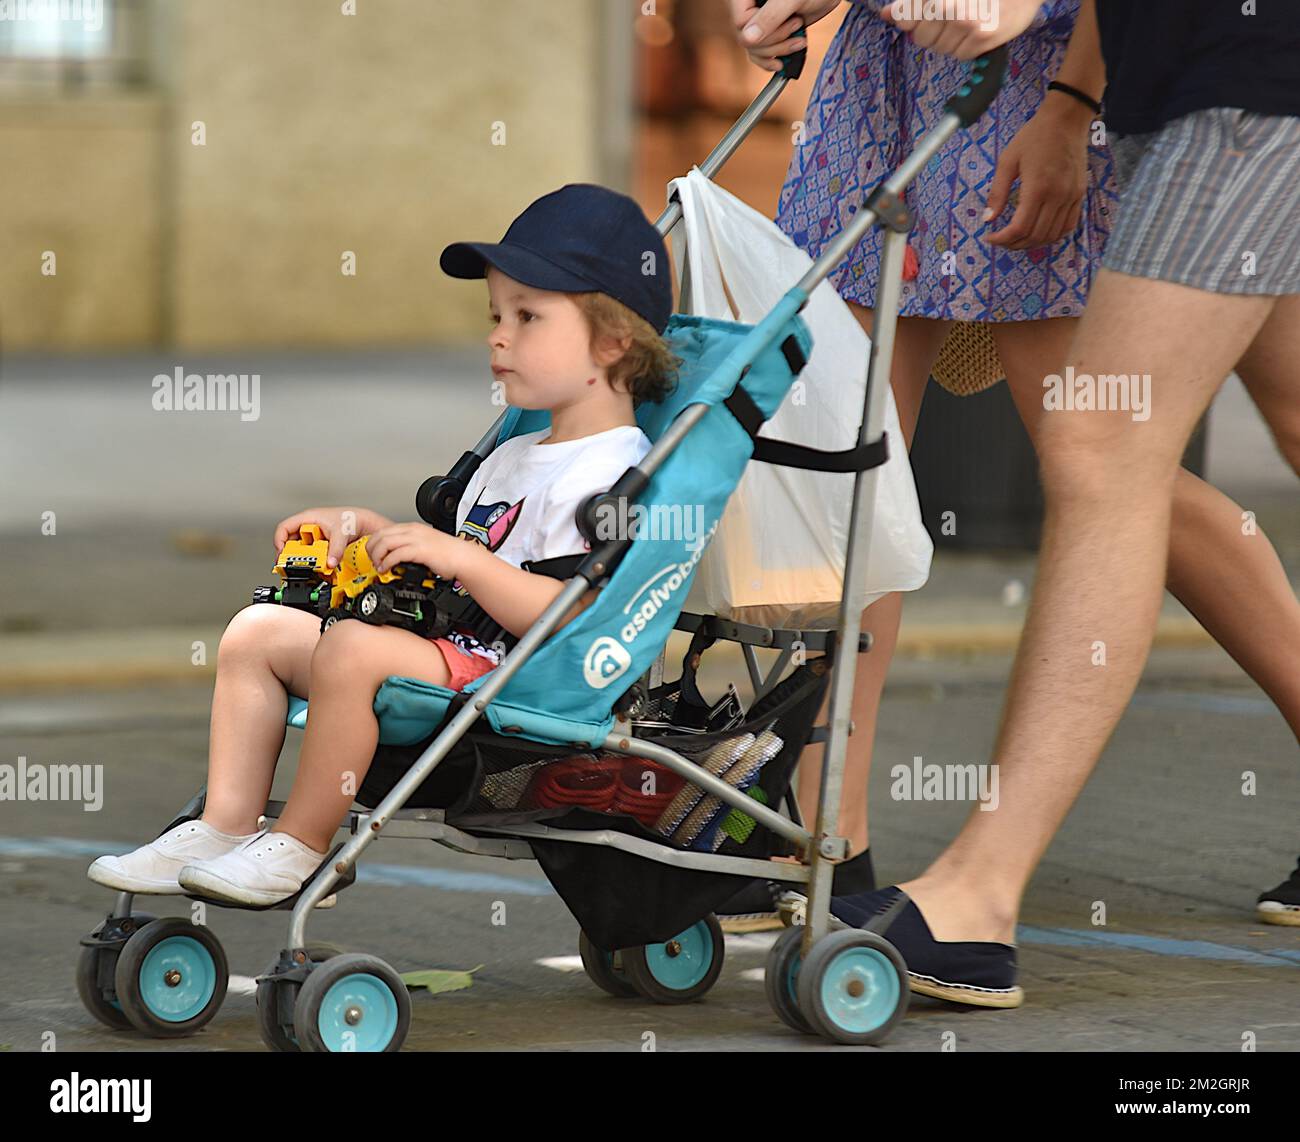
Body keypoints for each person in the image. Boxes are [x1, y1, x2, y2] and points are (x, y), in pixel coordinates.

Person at [741, 0, 1300, 1004]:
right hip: (907, 84)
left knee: (1105, 452)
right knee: (849, 450)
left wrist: (1060, 91)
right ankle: (828, 823)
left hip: (1052, 82)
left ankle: (969, 883)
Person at [88, 184, 678, 908]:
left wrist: (465, 560)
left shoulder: (615, 472)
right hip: (444, 647)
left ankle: (305, 849)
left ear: (615, 340)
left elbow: (571, 615)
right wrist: (366, 526)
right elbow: (451, 550)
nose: (498, 335)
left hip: (514, 681)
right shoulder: (517, 453)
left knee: (352, 650)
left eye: (528, 317)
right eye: (496, 314)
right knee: (257, 633)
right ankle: (223, 824)